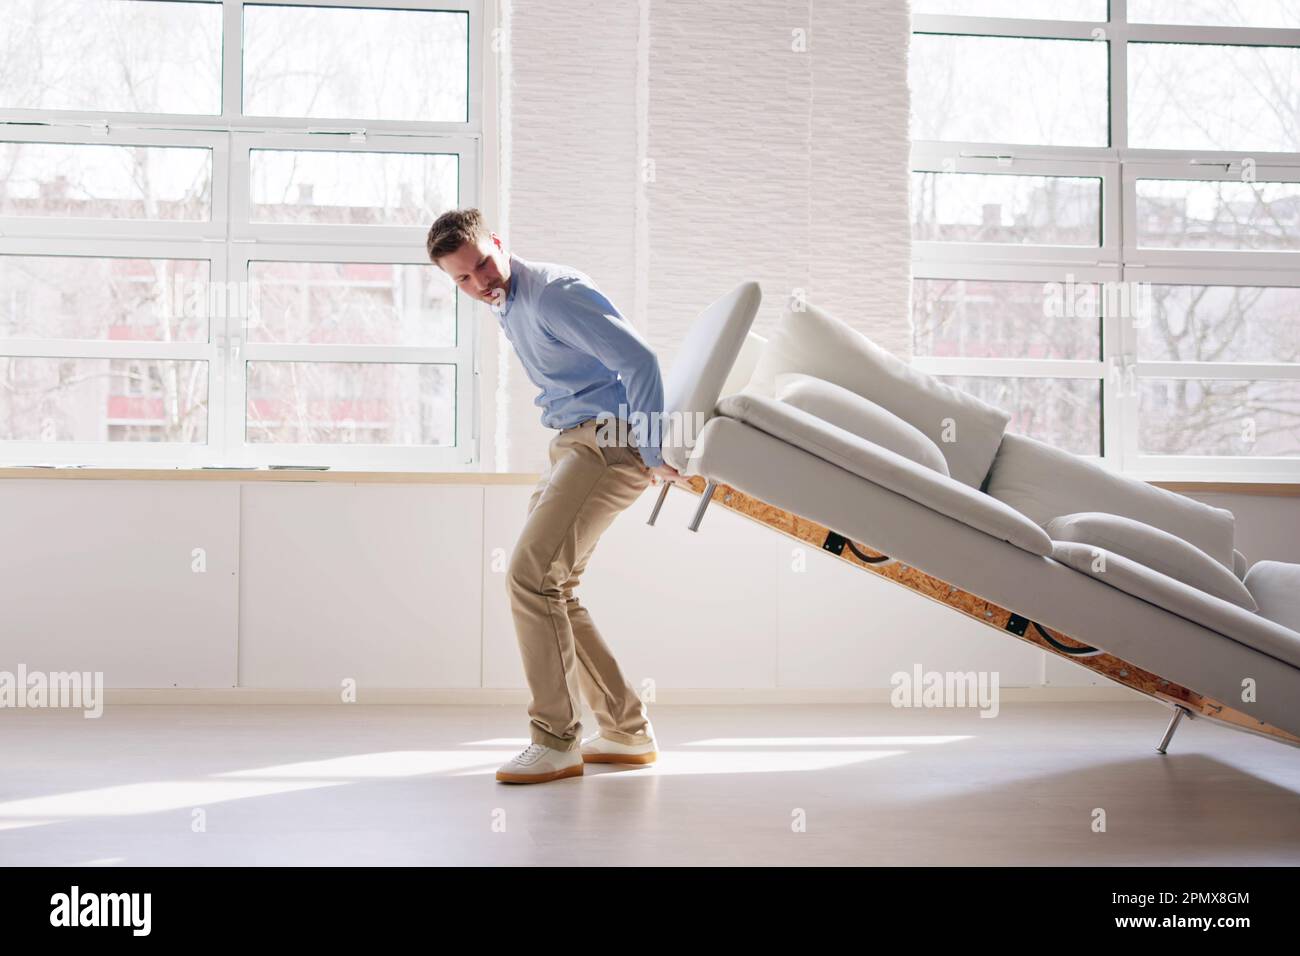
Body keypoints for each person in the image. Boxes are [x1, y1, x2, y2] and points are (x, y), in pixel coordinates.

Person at [426, 208, 687, 784]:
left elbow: (638, 359)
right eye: (463, 280)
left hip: (605, 444)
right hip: (574, 443)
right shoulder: (508, 303)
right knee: (555, 588)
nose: (480, 283)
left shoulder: (552, 295)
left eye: (483, 266)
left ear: (499, 243)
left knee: (528, 574)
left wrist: (651, 452)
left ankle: (556, 740)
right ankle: (624, 729)